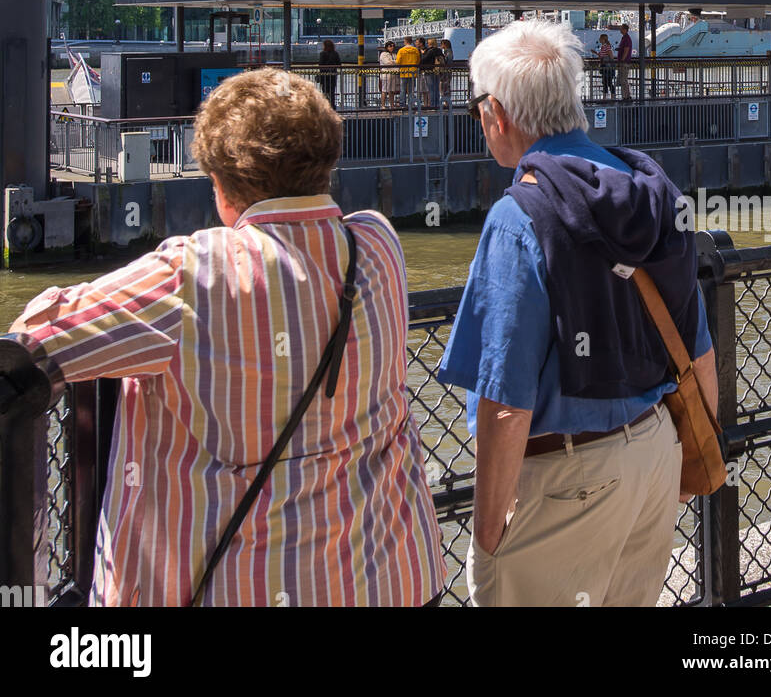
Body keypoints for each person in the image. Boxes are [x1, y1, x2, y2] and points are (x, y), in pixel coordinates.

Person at [9, 69, 445, 606]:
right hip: (383, 579)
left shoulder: (192, 275)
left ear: (220, 182)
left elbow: (37, 335)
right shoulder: (378, 247)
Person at [437, 19, 717, 608]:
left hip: (568, 477)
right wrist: (690, 460)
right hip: (654, 451)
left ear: (496, 113)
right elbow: (698, 345)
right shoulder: (654, 189)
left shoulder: (520, 216)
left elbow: (507, 401)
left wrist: (488, 533)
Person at [395, 35, 420, 109]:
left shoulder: (401, 50)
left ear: (405, 41)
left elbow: (398, 61)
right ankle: (411, 103)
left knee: (403, 89)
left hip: (404, 72)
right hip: (413, 72)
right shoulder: (415, 50)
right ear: (411, 41)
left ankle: (402, 104)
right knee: (411, 90)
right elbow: (418, 61)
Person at [419, 37, 443, 110]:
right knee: (436, 89)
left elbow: (424, 60)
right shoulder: (439, 50)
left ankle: (433, 105)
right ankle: (437, 104)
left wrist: (423, 54)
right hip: (437, 71)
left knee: (431, 89)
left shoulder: (430, 51)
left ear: (429, 43)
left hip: (429, 71)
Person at [318, 38, 341, 108]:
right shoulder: (335, 54)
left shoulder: (322, 54)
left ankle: (326, 106)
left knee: (325, 92)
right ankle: (332, 106)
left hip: (324, 76)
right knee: (332, 92)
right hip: (333, 76)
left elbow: (320, 65)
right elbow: (339, 64)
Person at [596, 33, 616, 100]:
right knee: (605, 82)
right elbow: (604, 55)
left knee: (608, 82)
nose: (599, 39)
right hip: (605, 67)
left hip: (607, 67)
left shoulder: (606, 46)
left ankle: (611, 97)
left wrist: (610, 62)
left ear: (603, 39)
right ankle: (606, 97)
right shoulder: (603, 47)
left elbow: (611, 55)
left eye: (600, 38)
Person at [379, 39, 398, 109]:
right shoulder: (383, 54)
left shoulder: (394, 54)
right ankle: (383, 105)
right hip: (386, 74)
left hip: (393, 73)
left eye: (393, 46)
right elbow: (387, 63)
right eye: (390, 46)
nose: (392, 47)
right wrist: (395, 62)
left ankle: (392, 105)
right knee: (384, 90)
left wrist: (393, 62)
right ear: (387, 47)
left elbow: (397, 62)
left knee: (392, 90)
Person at [617, 23, 633, 101]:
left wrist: (622, 60)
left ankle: (626, 96)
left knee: (623, 80)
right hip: (624, 61)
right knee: (623, 80)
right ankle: (626, 96)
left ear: (625, 30)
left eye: (621, 28)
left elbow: (626, 50)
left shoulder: (626, 38)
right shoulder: (624, 38)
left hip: (624, 62)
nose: (620, 29)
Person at [438, 39, 454, 109]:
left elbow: (448, 61)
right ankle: (446, 101)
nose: (441, 46)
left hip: (446, 72)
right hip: (446, 72)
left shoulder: (448, 52)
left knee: (445, 86)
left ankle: (446, 102)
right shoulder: (447, 51)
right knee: (445, 87)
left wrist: (441, 59)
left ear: (445, 44)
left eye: (442, 44)